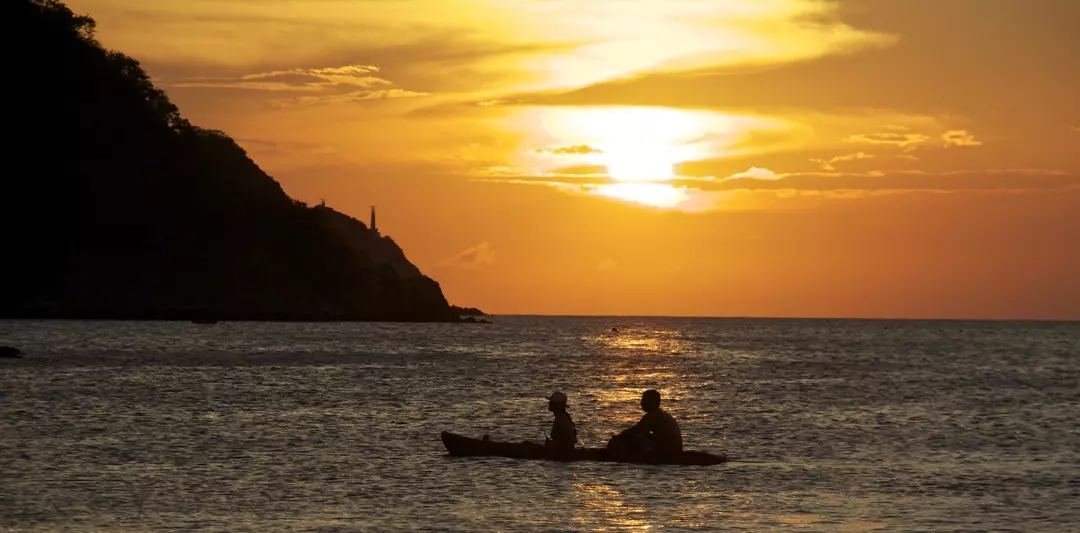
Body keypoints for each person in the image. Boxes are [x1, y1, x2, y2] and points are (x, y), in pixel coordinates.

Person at [609, 389, 683, 454]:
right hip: (674, 449)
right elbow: (642, 430)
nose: (641, 403)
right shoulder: (660, 414)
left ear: (652, 402)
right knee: (642, 434)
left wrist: (618, 438)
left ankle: (623, 455)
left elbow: (635, 430)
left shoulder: (653, 416)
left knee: (634, 437)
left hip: (668, 451)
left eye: (644, 400)